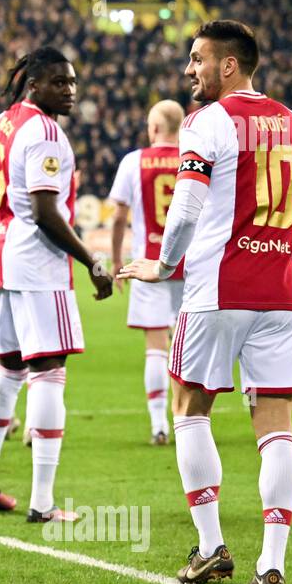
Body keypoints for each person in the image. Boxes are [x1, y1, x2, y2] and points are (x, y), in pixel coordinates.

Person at [118, 20, 292, 584]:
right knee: (276, 422)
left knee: (190, 407)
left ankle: (210, 547)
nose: (190, 70)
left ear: (228, 65)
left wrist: (162, 263)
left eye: (197, 59)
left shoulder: (207, 121)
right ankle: (272, 562)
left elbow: (184, 210)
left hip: (215, 290)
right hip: (282, 290)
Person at [0, 48, 114, 520]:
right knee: (48, 373)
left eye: (73, 82)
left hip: (5, 261)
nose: (70, 90)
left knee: (8, 371)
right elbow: (45, 212)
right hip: (38, 267)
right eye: (59, 82)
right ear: (34, 84)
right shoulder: (44, 133)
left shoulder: (5, 121)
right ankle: (43, 503)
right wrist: (91, 261)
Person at [108, 100, 186, 445]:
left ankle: (159, 425)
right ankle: (190, 420)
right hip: (192, 266)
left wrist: (114, 260)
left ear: (154, 128)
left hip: (147, 264)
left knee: (156, 347)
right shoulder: (195, 159)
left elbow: (119, 217)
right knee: (188, 346)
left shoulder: (133, 162)